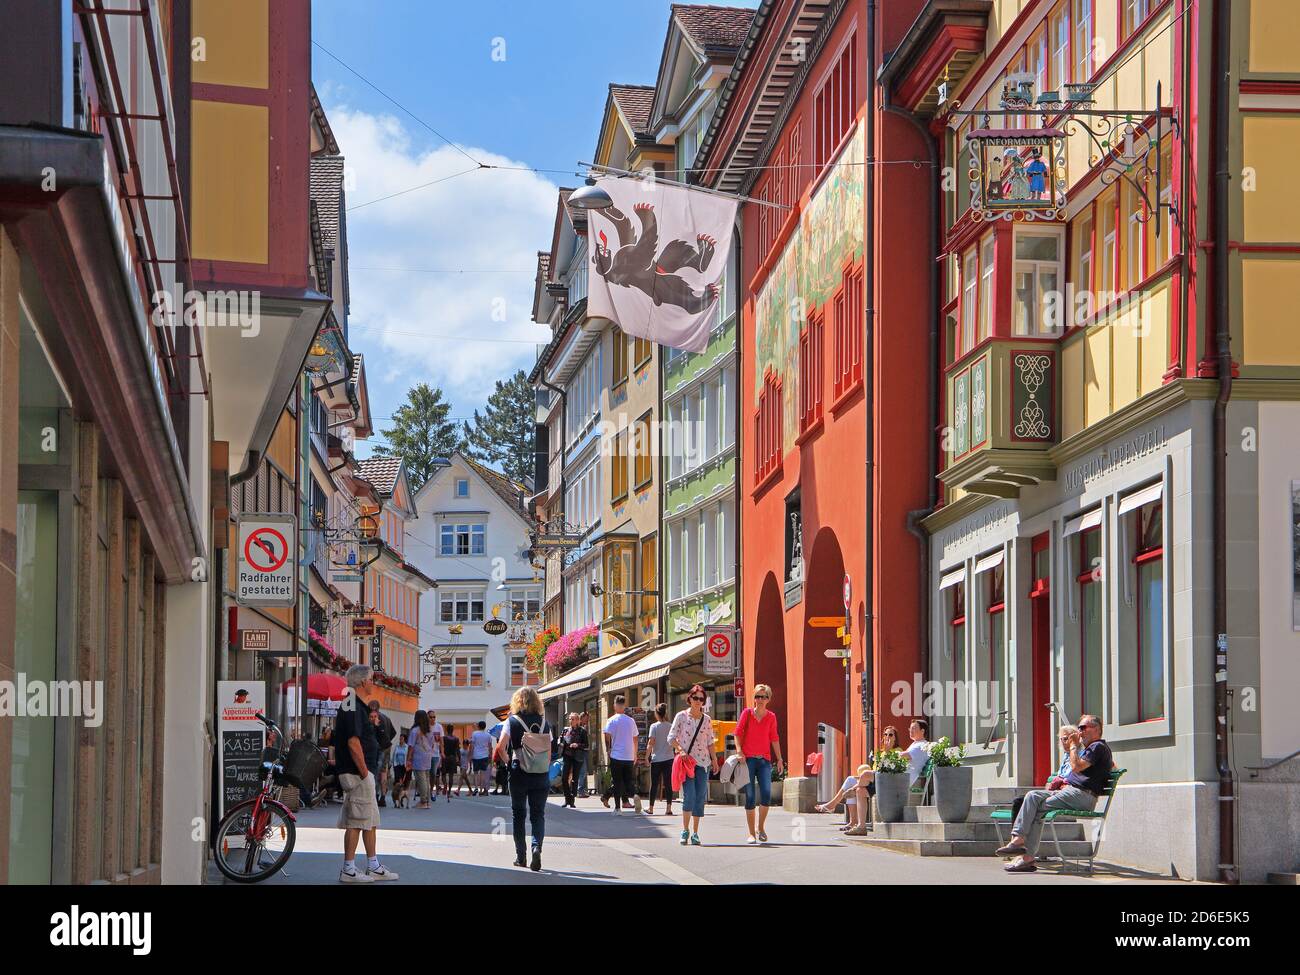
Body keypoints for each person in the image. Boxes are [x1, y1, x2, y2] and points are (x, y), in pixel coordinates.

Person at [997, 714, 1113, 873]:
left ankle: (1024, 851)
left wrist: (1073, 745)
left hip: (1083, 796)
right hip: (1074, 792)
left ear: (1097, 729)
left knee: (1035, 806)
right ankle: (1020, 842)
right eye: (1079, 727)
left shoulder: (1097, 746)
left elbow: (1077, 766)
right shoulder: (1093, 749)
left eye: (1083, 728)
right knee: (1032, 796)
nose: (1080, 731)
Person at [333, 665, 398, 882]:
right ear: (362, 682)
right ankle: (349, 869)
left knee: (369, 819)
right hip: (357, 772)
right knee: (356, 820)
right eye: (371, 678)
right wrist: (364, 773)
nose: (374, 682)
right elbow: (353, 741)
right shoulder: (351, 704)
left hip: (363, 771)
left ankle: (373, 865)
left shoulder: (357, 705)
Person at [493, 687, 550, 871]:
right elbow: (549, 750)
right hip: (540, 773)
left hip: (519, 772)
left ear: (517, 701)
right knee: (538, 814)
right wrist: (543, 767)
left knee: (519, 814)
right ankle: (536, 847)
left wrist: (510, 763)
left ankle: (521, 857)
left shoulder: (512, 721)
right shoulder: (544, 723)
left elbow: (501, 748)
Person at [844, 718, 929, 835]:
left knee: (865, 774)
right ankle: (861, 827)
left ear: (923, 731)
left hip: (899, 780)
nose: (911, 731)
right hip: (893, 778)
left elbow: (904, 756)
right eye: (910, 728)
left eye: (914, 728)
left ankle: (852, 789)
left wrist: (889, 751)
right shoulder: (914, 744)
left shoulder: (922, 745)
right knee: (861, 791)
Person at [816, 726, 900, 830]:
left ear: (895, 738)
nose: (887, 737)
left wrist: (887, 752)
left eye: (890, 735)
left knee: (852, 786)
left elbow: (884, 771)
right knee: (851, 780)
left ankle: (834, 803)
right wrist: (885, 752)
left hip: (883, 783)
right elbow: (875, 769)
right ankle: (853, 821)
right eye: (885, 734)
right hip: (872, 781)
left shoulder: (898, 751)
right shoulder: (881, 752)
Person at [735, 684, 785, 844]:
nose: (760, 700)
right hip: (748, 759)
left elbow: (774, 738)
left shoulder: (771, 717)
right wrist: (739, 751)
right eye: (757, 696)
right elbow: (737, 732)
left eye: (764, 697)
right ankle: (751, 833)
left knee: (766, 794)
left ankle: (761, 827)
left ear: (768, 699)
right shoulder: (747, 714)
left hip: (764, 760)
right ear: (754, 698)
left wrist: (779, 759)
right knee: (750, 796)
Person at [670, 685, 718, 845]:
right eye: (695, 698)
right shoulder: (681, 717)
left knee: (699, 797)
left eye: (701, 699)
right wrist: (680, 750)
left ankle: (695, 832)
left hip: (703, 763)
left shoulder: (707, 719)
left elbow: (710, 741)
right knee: (689, 795)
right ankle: (685, 830)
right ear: (689, 698)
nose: (698, 701)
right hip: (687, 763)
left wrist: (715, 760)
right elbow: (671, 737)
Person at [602, 694, 639, 814]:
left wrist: (608, 748)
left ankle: (618, 808)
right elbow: (635, 738)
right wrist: (635, 753)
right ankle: (634, 796)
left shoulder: (612, 720)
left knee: (617, 782)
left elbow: (607, 735)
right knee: (628, 781)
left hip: (616, 755)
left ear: (614, 705)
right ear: (624, 706)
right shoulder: (631, 720)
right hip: (628, 755)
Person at [646, 703, 675, 816]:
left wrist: (646, 757)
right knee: (668, 784)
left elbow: (651, 743)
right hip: (669, 758)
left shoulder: (654, 726)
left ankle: (651, 808)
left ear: (657, 714)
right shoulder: (670, 726)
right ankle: (668, 808)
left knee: (654, 784)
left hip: (657, 759)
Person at [369, 701, 395, 807]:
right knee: (384, 772)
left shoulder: (376, 718)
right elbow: (393, 732)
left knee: (375, 771)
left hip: (379, 748)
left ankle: (375, 795)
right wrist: (387, 741)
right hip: (386, 747)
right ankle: (383, 797)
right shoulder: (387, 718)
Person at [408, 710, 437, 809]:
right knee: (426, 779)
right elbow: (433, 744)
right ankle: (427, 801)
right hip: (428, 756)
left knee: (421, 780)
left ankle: (423, 801)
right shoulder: (429, 731)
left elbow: (411, 746)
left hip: (418, 757)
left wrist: (408, 759)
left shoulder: (415, 730)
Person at [560, 712, 589, 808]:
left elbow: (586, 745)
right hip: (567, 755)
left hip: (577, 756)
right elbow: (560, 741)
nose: (570, 721)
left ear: (577, 721)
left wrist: (577, 745)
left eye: (572, 719)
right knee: (564, 777)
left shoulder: (582, 731)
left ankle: (572, 800)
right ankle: (566, 798)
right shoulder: (565, 730)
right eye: (569, 719)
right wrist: (561, 743)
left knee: (575, 779)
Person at [469, 720, 494, 795]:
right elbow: (490, 746)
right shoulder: (488, 735)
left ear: (478, 726)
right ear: (485, 726)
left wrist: (470, 755)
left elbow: (472, 745)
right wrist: (490, 755)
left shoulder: (475, 734)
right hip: (485, 756)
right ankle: (481, 790)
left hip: (476, 756)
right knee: (483, 773)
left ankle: (476, 788)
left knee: (476, 773)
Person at [440, 728, 460, 798]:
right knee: (451, 775)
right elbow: (458, 749)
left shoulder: (444, 738)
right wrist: (459, 760)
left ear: (447, 730)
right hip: (452, 758)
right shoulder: (456, 739)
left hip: (445, 757)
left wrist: (441, 755)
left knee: (443, 774)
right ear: (453, 730)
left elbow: (441, 747)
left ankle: (445, 784)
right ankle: (449, 792)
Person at [575, 712, 592, 797]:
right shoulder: (580, 728)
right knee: (583, 771)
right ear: (582, 718)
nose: (588, 719)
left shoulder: (586, 727)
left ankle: (582, 790)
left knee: (583, 771)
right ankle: (580, 790)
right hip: (581, 751)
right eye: (586, 717)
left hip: (584, 751)